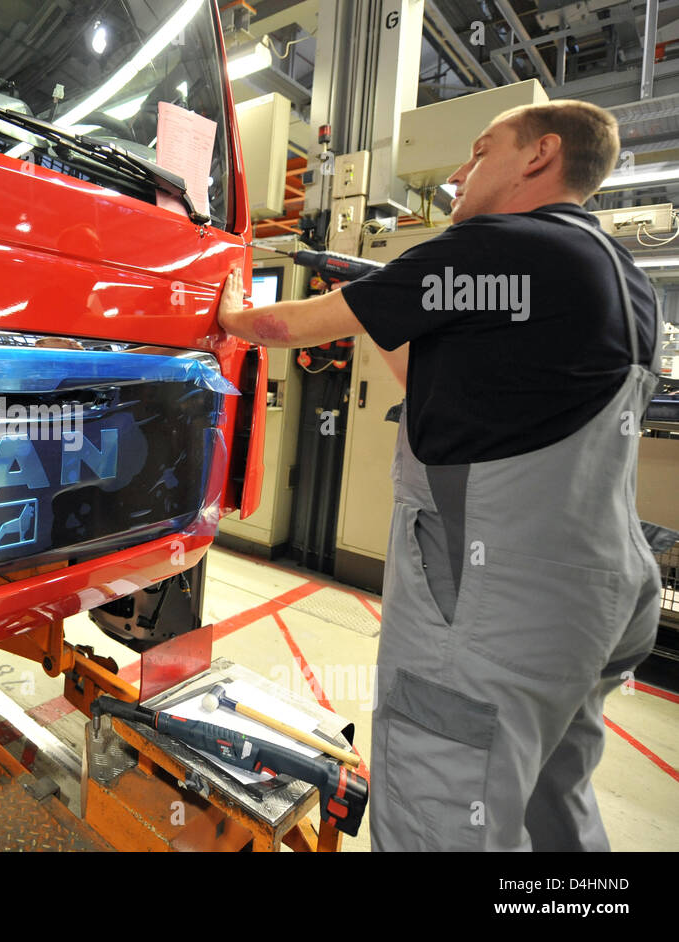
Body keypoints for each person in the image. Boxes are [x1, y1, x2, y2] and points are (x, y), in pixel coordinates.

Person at [217, 99, 662, 851]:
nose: (457, 174)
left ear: (538, 156)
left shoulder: (496, 242)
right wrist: (384, 309)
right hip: (599, 602)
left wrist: (229, 308)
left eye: (480, 151)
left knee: (441, 807)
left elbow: (286, 326)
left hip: (496, 606)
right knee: (553, 801)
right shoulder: (625, 277)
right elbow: (448, 380)